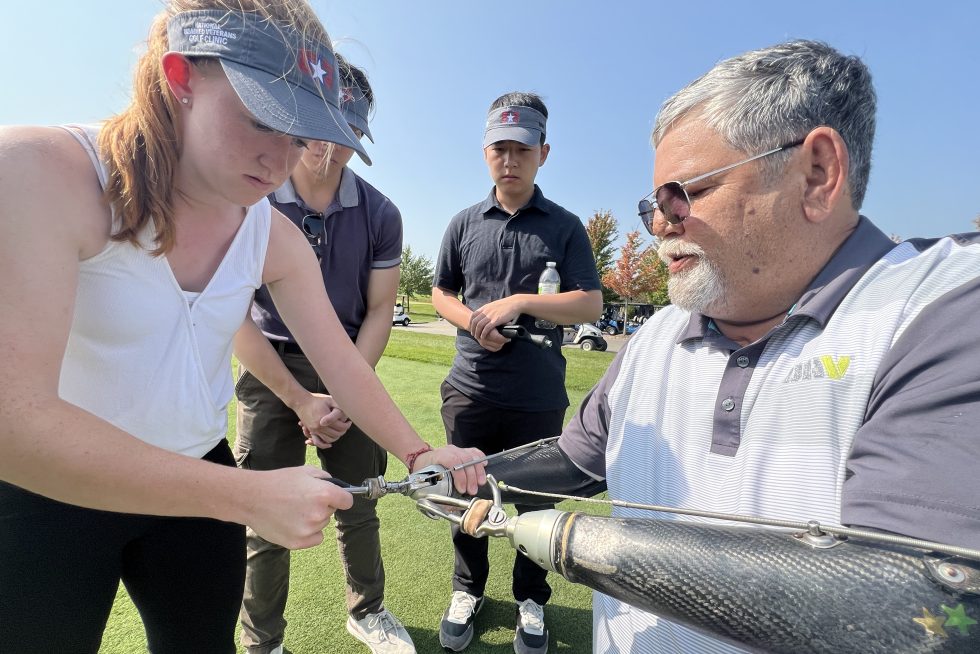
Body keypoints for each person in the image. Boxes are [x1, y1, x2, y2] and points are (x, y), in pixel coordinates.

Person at [461, 40, 980, 652]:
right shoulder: (655, 336)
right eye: (653, 203)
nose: (659, 223)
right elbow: (578, 463)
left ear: (817, 173)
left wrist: (578, 546)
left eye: (685, 193)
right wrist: (470, 476)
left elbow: (927, 613)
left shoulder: (940, 312)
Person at [0, 3, 485, 653]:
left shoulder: (270, 233)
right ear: (179, 77)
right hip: (50, 492)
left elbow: (339, 358)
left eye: (300, 132)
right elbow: (14, 420)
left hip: (199, 486)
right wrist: (243, 494)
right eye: (261, 116)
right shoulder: (40, 171)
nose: (280, 159)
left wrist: (420, 453)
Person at [234, 56, 415, 654]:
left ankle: (367, 611)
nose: (327, 150)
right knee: (263, 516)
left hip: (347, 364)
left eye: (345, 137)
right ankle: (264, 641)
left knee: (359, 504)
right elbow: (233, 313)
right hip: (270, 367)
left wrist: (341, 395)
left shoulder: (381, 213)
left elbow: (381, 310)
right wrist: (299, 399)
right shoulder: (253, 199)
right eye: (316, 129)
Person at [431, 92, 603, 654]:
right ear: (485, 153)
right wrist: (475, 320)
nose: (511, 160)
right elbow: (441, 292)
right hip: (469, 389)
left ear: (543, 153)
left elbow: (589, 306)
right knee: (467, 500)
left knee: (533, 502)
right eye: (500, 148)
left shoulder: (567, 226)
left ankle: (532, 598)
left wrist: (520, 303)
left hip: (536, 395)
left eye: (522, 149)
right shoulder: (463, 223)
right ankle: (467, 589)